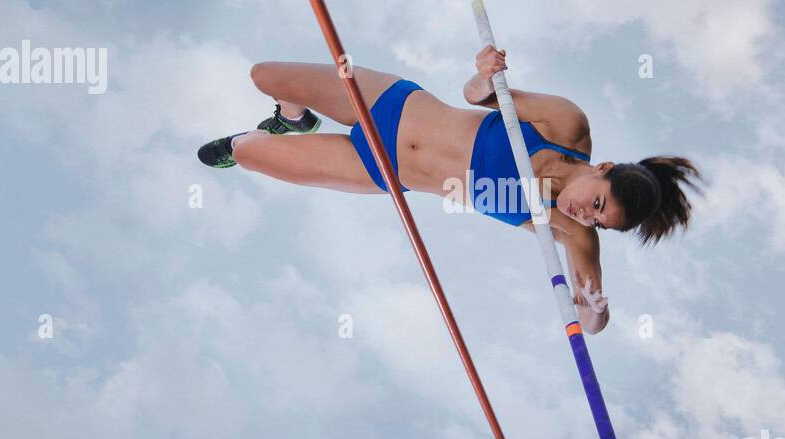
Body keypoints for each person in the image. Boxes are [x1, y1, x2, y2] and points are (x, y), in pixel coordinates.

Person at [198, 46, 701, 334]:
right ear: (604, 167)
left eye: (598, 220)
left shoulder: (571, 232)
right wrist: (486, 78)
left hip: (381, 169)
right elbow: (476, 96)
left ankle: (259, 138)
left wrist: (596, 305)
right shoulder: (566, 124)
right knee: (264, 76)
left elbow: (592, 324)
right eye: (597, 202)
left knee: (245, 153)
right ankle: (294, 118)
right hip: (391, 102)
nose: (586, 214)